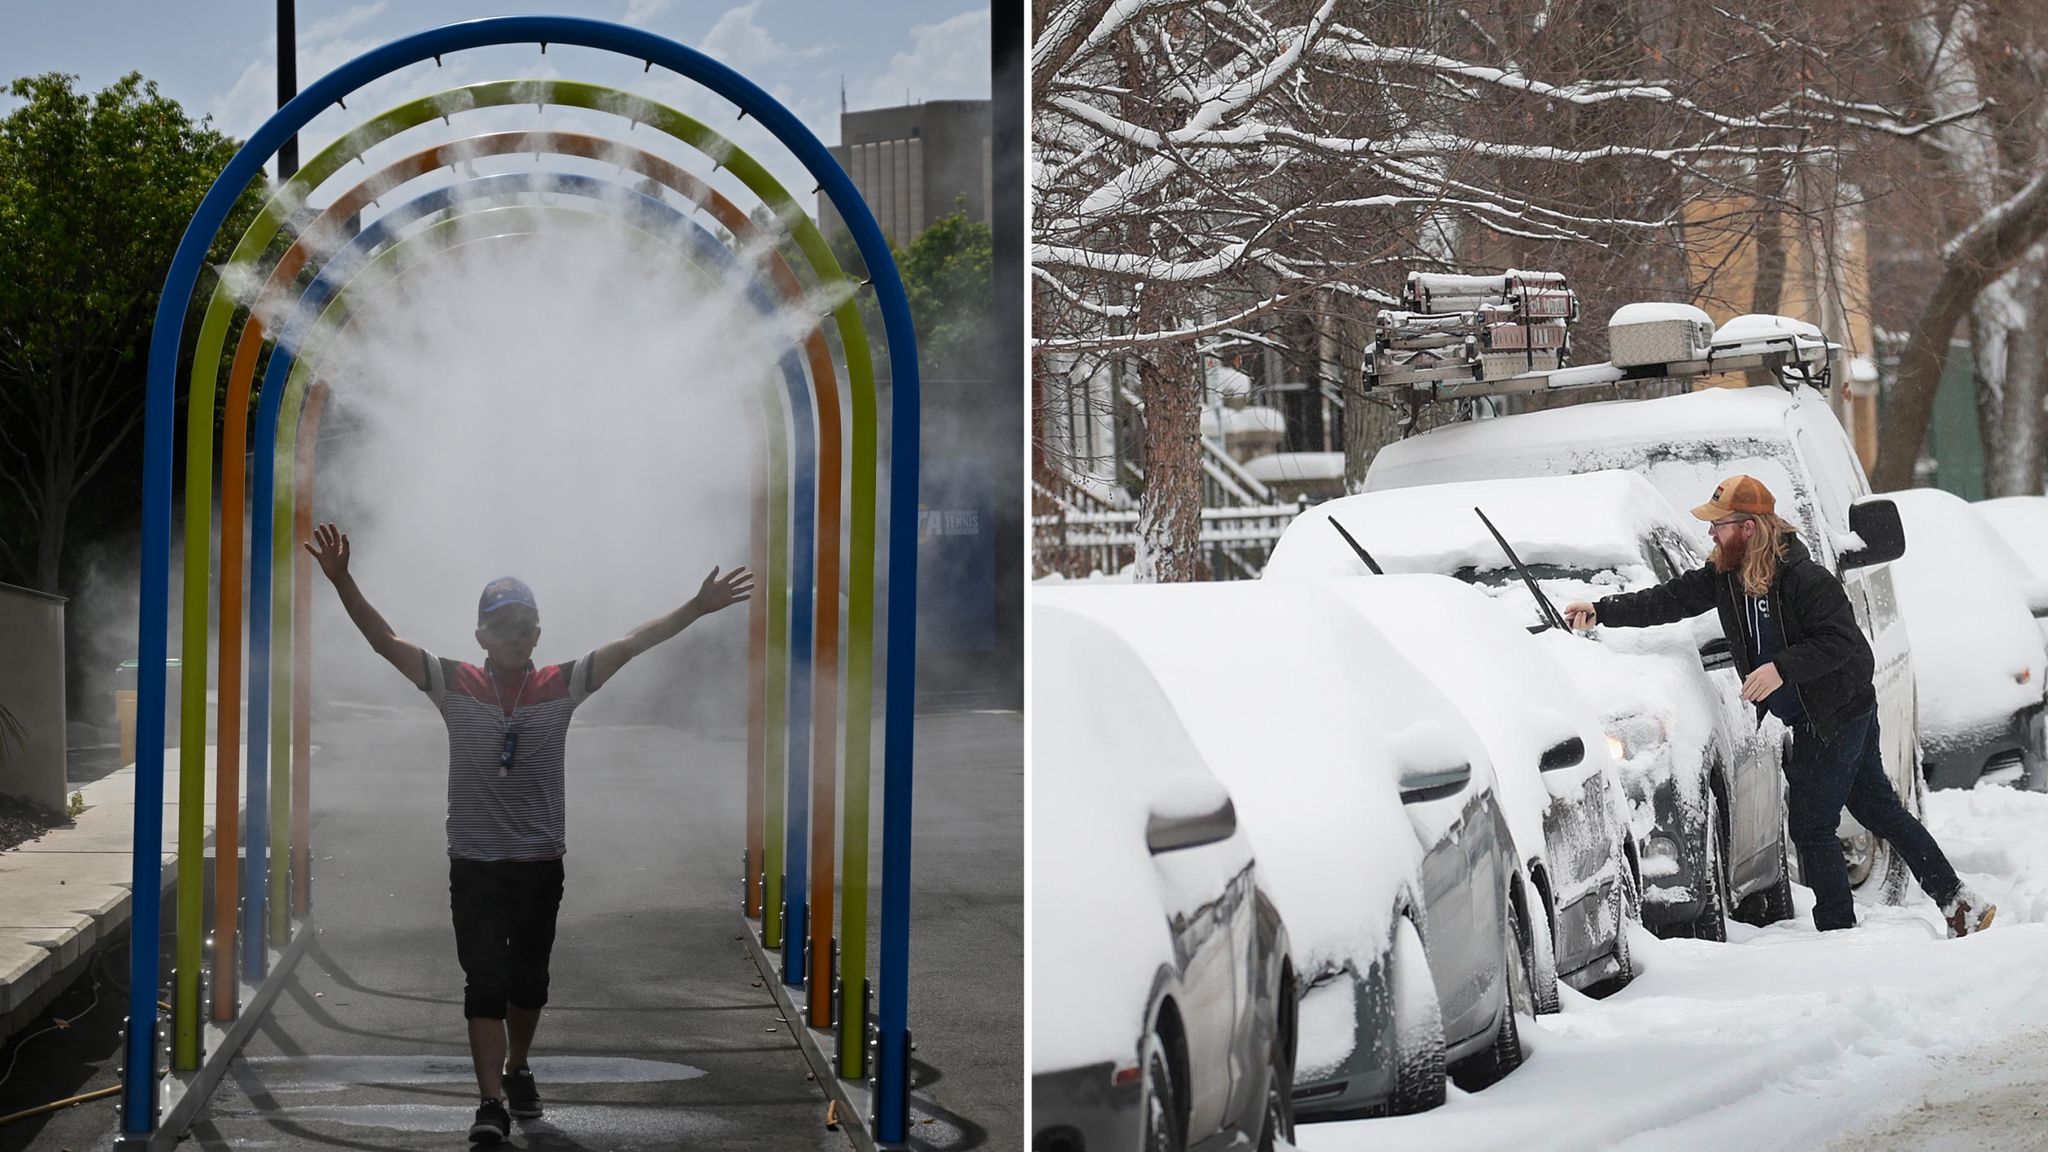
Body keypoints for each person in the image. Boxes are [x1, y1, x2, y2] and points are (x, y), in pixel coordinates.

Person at [303, 521, 754, 1144]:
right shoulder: (452, 681)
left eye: (524, 627)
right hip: (476, 862)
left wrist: (698, 608)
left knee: (529, 983)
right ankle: (489, 1103)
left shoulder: (560, 685)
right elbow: (384, 640)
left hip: (540, 862)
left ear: (538, 634)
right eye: (501, 627)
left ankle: (517, 1067)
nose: (514, 637)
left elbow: (632, 642)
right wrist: (343, 579)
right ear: (480, 636)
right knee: (483, 981)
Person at [1562, 475, 1994, 938]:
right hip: (1821, 713)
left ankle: (1838, 932)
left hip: (1835, 713)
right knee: (1879, 811)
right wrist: (1602, 610)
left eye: (1719, 525)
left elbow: (1846, 644)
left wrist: (1781, 669)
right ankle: (1957, 901)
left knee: (1811, 825)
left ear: (1748, 528)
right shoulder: (1726, 576)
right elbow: (1672, 599)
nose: (1711, 534)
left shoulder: (1804, 578)